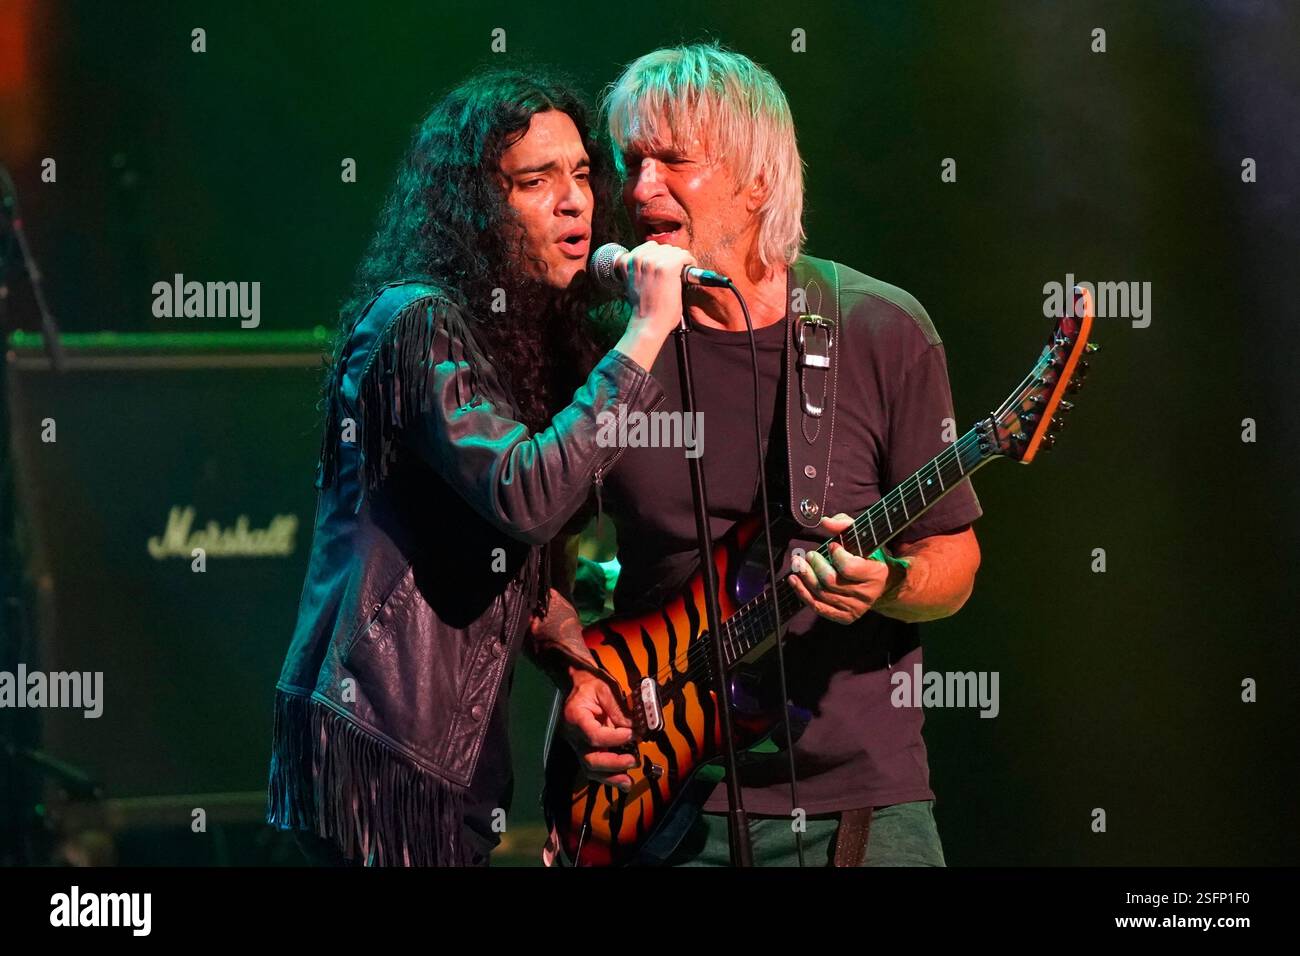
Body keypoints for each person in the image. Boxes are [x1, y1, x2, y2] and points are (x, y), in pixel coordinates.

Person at [552, 43, 984, 866]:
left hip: (864, 807)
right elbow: (536, 561)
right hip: (659, 806)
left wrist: (888, 583)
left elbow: (952, 559)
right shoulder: (611, 352)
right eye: (630, 162)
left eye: (673, 161)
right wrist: (574, 675)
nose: (641, 190)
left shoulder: (879, 330)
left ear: (758, 181)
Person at [266, 67, 695, 866]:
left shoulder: (512, 342)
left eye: (579, 175)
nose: (576, 202)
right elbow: (523, 496)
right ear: (475, 208)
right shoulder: (414, 323)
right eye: (537, 182)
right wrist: (644, 335)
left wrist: (576, 666)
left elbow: (512, 563)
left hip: (449, 762)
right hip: (380, 751)